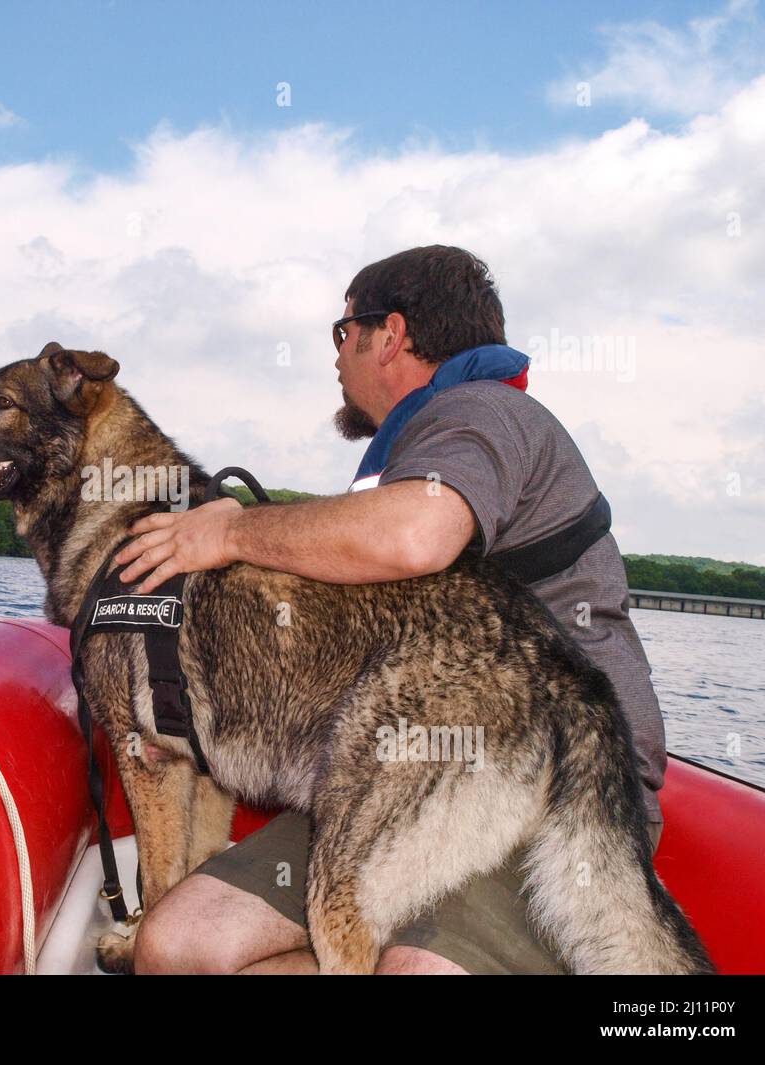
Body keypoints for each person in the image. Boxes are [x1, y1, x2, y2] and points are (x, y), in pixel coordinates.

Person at [111, 245, 666, 975]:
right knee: (177, 945)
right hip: (394, 771)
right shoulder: (415, 442)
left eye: (344, 334)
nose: (337, 358)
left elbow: (417, 535)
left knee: (413, 969)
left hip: (547, 784)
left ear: (391, 335)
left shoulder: (484, 411)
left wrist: (229, 530)